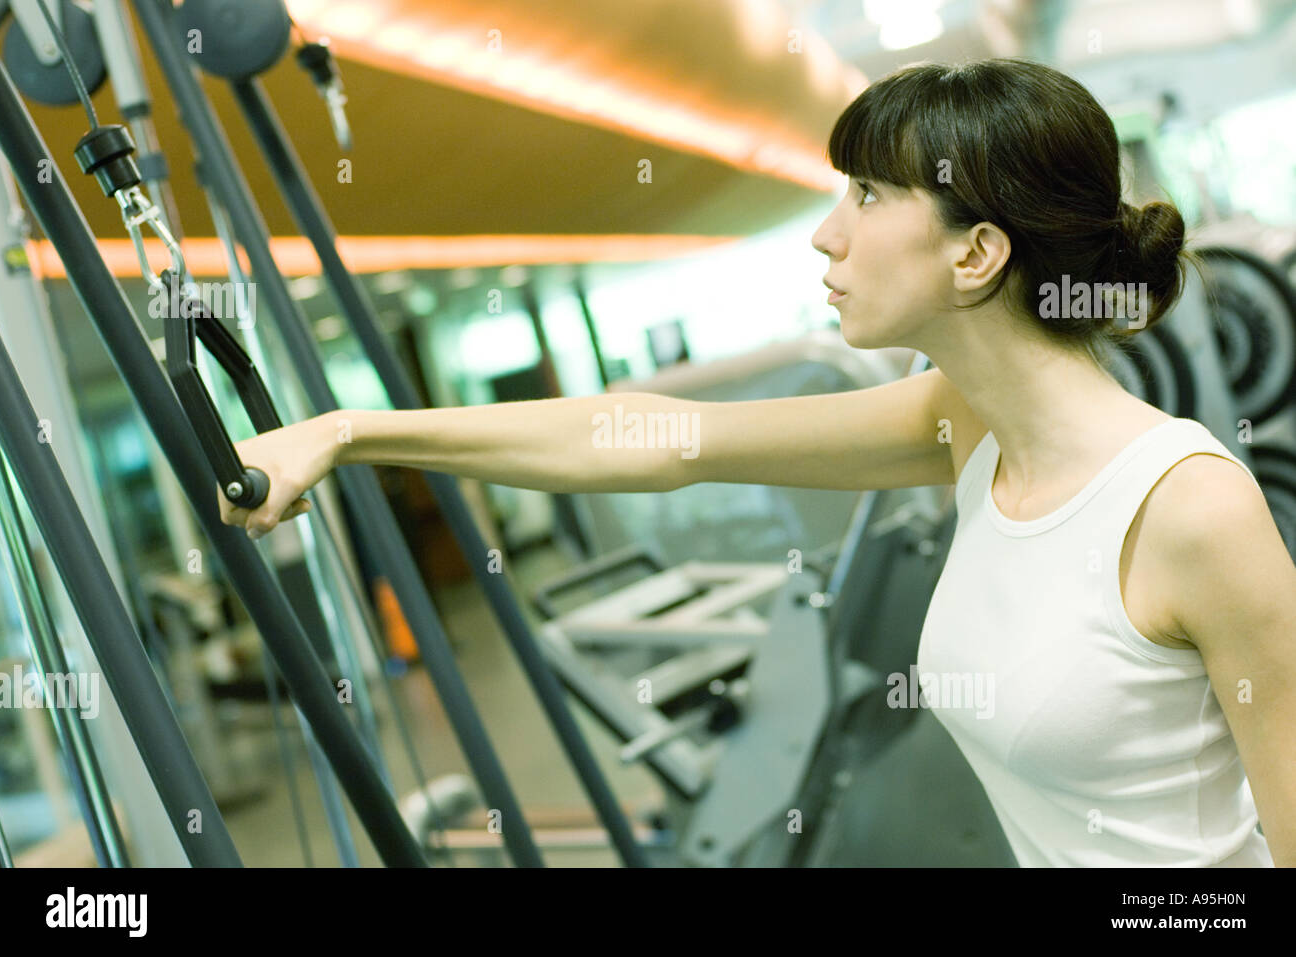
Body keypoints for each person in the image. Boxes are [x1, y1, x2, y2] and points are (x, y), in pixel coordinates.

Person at [218, 58, 1294, 866]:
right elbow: (657, 440)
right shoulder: (964, 425)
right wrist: (350, 434)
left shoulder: (1189, 508)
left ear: (976, 254)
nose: (827, 236)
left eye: (867, 199)